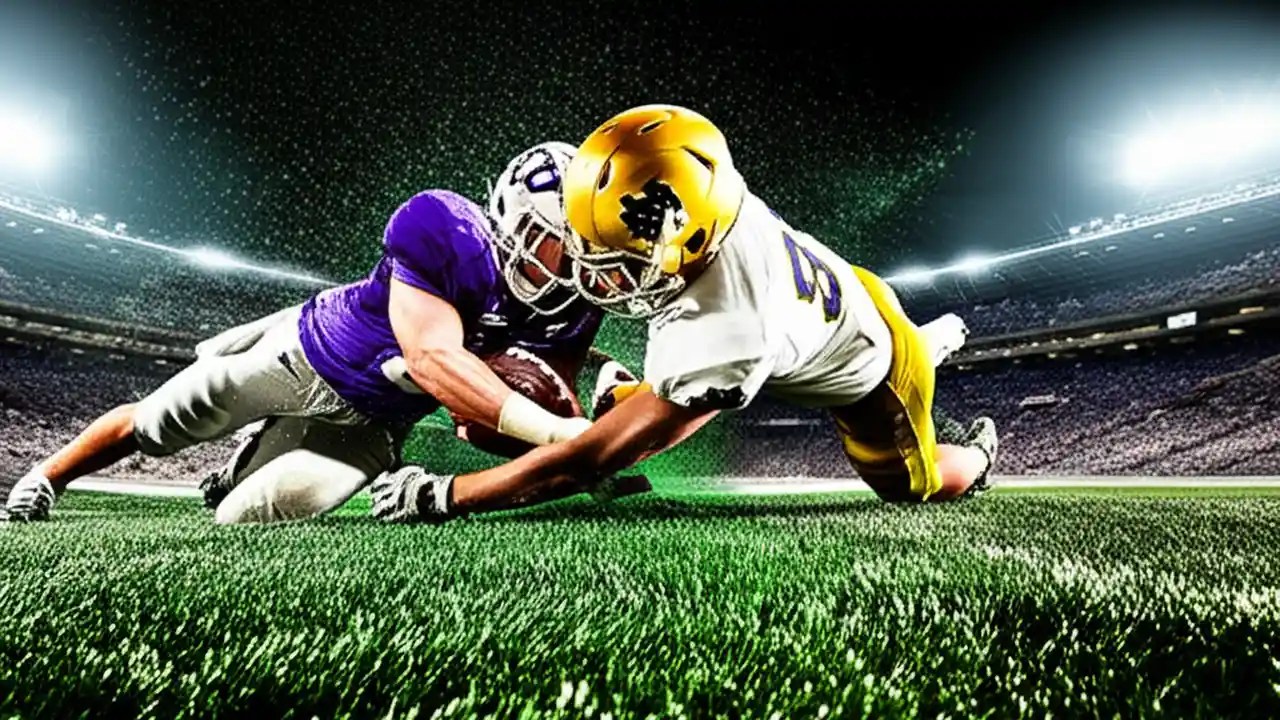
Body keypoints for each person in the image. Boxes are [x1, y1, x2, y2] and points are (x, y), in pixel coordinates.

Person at [368, 104, 999, 524]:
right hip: (831, 294)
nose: (585, 266)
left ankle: (974, 451)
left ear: (683, 247)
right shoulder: (700, 191)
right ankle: (932, 336)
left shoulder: (725, 329)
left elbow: (588, 460)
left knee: (911, 488)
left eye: (608, 252)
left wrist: (445, 494)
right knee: (639, 404)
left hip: (874, 365)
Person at [2, 142, 619, 525]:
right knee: (158, 425)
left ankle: (245, 463)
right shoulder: (447, 227)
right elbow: (432, 358)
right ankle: (46, 476)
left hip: (379, 422)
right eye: (559, 243)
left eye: (587, 248)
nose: (574, 264)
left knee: (245, 515)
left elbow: (499, 419)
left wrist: (557, 435)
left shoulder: (574, 307)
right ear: (511, 219)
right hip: (307, 354)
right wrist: (567, 434)